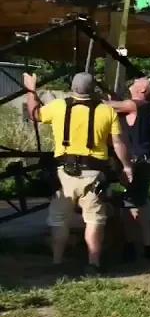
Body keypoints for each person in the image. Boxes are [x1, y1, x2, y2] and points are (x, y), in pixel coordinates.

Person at [24, 71, 134, 275]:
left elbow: (35, 114)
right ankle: (93, 263)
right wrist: (126, 167)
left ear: (72, 88)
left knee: (59, 220)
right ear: (94, 90)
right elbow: (118, 144)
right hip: (94, 175)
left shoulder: (58, 106)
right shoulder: (106, 111)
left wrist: (31, 89)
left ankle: (57, 262)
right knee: (94, 220)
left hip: (64, 175)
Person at [104, 76, 150, 265]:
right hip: (140, 161)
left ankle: (132, 248)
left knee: (132, 205)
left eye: (144, 79)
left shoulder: (139, 104)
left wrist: (89, 98)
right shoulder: (135, 105)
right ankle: (145, 248)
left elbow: (108, 107)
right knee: (137, 205)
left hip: (138, 162)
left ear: (143, 89)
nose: (138, 78)